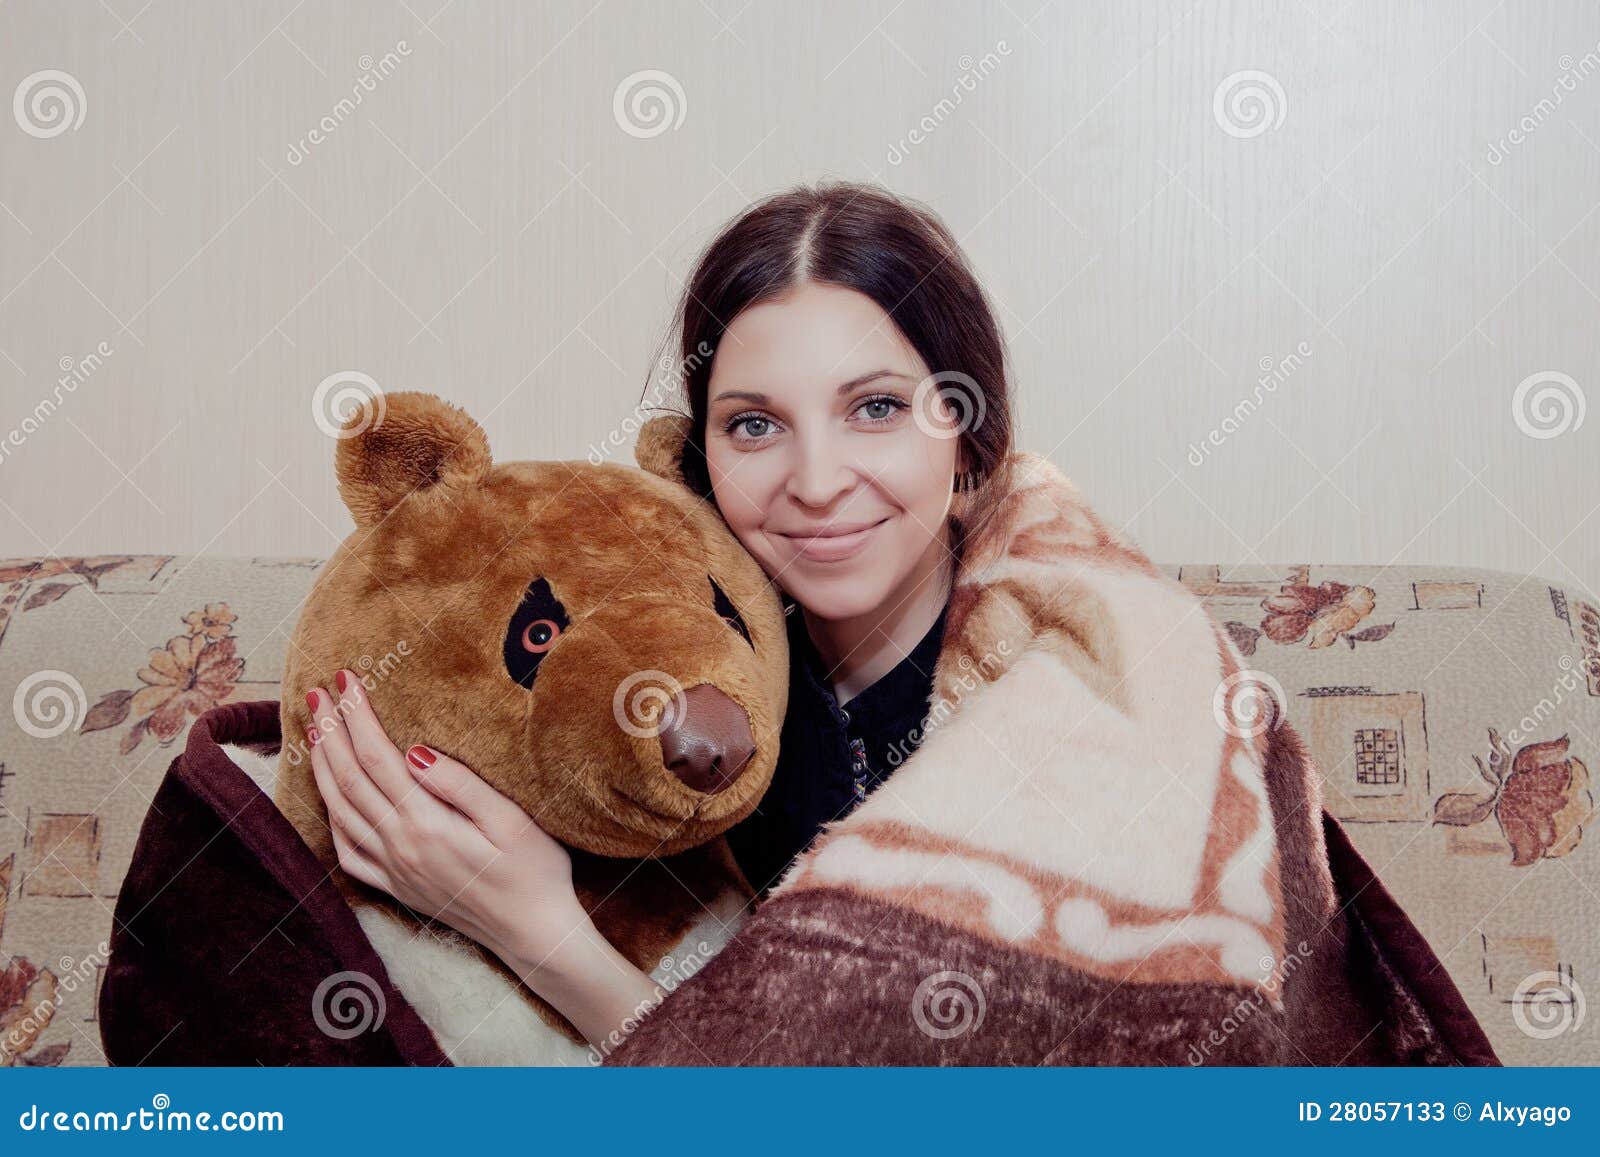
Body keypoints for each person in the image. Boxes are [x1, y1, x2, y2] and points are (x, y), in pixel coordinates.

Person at [303, 181, 1015, 1049]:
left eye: (876, 408)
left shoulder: (1081, 692)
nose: (818, 481)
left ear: (969, 427)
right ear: (698, 455)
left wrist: (540, 933)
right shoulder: (679, 680)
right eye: (755, 424)